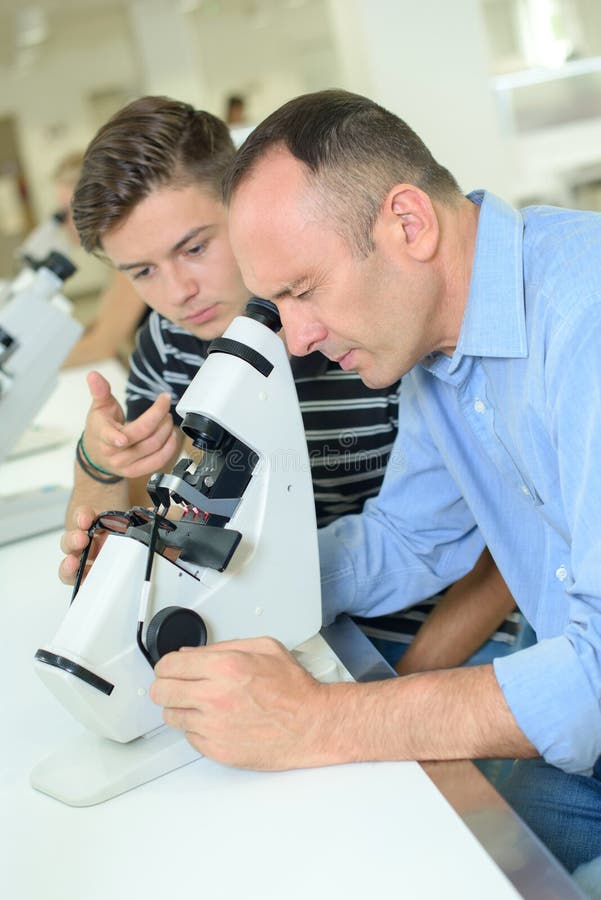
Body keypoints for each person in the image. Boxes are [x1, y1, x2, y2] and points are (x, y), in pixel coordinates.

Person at [143, 89, 600, 879]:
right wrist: (200, 579)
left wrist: (318, 719)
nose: (298, 339)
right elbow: (407, 539)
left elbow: (592, 680)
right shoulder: (434, 344)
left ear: (408, 224)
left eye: (303, 290)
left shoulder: (582, 313)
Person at [58, 96, 517, 686]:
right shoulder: (170, 343)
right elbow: (136, 533)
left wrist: (382, 697)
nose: (177, 293)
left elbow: (501, 550)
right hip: (287, 624)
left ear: (247, 209)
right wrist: (101, 464)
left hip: (432, 636)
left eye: (194, 248)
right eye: (142, 272)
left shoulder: (384, 325)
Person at [52, 151, 148, 367]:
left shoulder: (133, 254)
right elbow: (99, 325)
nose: (64, 223)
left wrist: (24, 365)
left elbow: (101, 347)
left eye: (68, 211)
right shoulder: (116, 258)